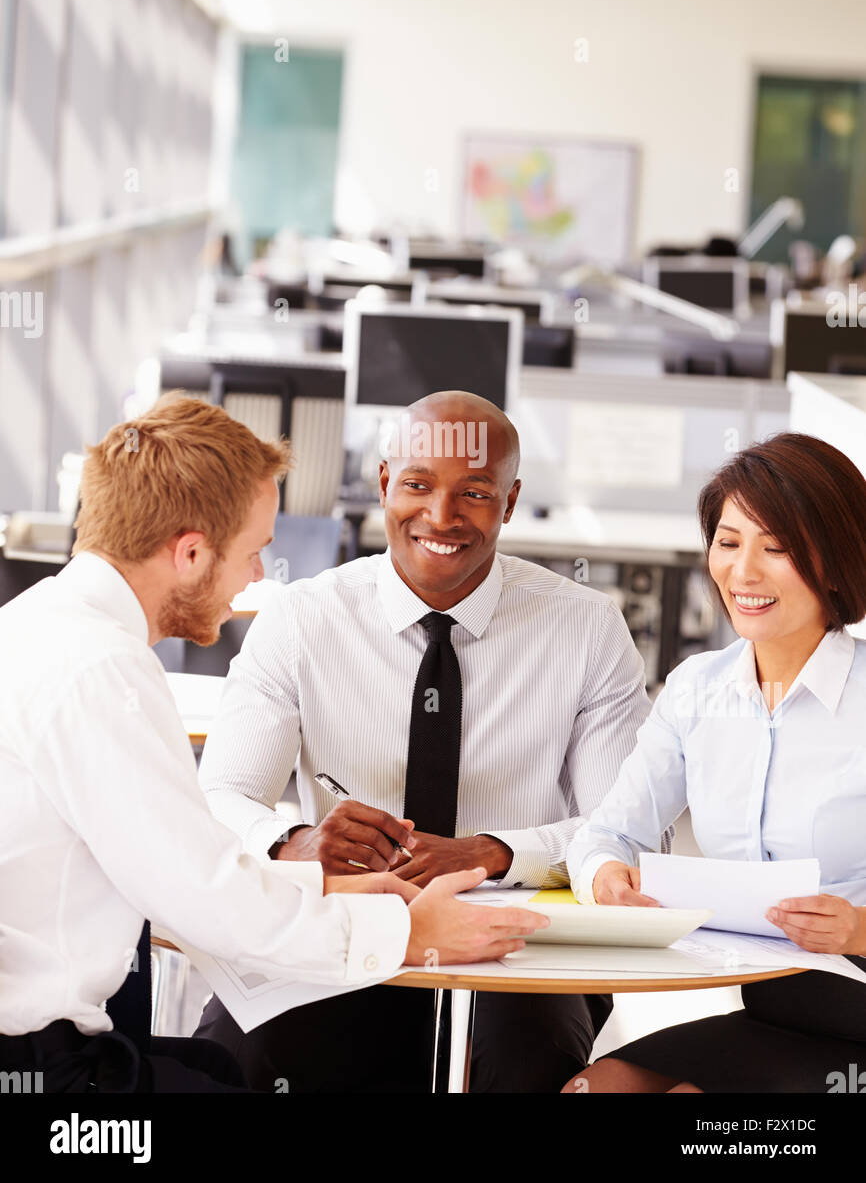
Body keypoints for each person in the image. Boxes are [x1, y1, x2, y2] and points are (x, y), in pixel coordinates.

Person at [0, 394, 547, 1094]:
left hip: (45, 1050)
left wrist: (326, 886)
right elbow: (202, 896)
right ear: (191, 553)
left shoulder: (39, 624)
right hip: (38, 1071)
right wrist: (405, 934)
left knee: (218, 1067)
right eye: (253, 552)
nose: (259, 577)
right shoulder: (102, 671)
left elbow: (173, 867)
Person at [196, 388, 655, 1092]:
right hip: (347, 918)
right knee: (238, 1059)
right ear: (385, 483)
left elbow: (621, 830)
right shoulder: (302, 620)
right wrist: (295, 843)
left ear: (508, 501)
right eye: (417, 485)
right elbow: (222, 794)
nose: (440, 517)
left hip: (518, 933)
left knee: (525, 1070)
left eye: (473, 493)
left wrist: (498, 852)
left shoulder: (587, 630)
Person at [563, 431, 866, 1095]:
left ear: (838, 562)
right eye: (728, 543)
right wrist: (605, 876)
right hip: (776, 1016)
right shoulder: (697, 688)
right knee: (594, 1090)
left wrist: (861, 926)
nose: (744, 573)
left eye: (776, 548)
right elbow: (606, 831)